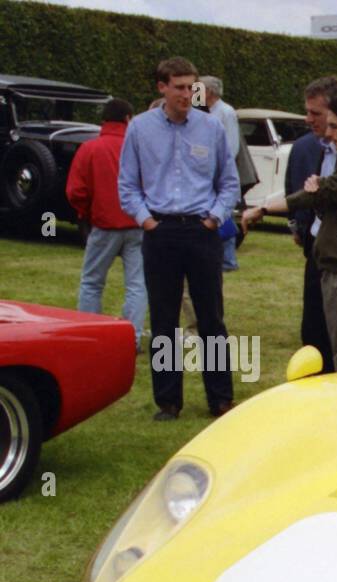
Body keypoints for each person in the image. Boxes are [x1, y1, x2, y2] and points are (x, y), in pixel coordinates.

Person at [118, 56, 238, 421]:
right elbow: (127, 185)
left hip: (201, 231)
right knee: (165, 318)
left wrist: (214, 218)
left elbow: (229, 182)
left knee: (211, 318)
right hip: (161, 231)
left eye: (192, 87)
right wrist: (147, 221)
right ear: (162, 88)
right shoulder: (139, 129)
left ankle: (220, 398)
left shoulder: (211, 128)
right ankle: (168, 402)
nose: (188, 94)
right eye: (180, 87)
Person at [244, 90, 337, 371]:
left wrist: (262, 209)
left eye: (335, 127)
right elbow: (322, 196)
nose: (329, 134)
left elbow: (315, 195)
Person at [66, 98, 145, 347]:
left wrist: (86, 212)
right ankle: (132, 337)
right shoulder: (139, 148)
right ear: (127, 119)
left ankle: (87, 334)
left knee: (92, 281)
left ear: (103, 121)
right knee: (137, 284)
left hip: (103, 224)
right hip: (138, 224)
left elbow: (76, 191)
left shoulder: (90, 148)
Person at [284, 75, 337, 371]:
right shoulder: (317, 147)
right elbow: (299, 191)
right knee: (313, 333)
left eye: (315, 114)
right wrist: (301, 228)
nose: (308, 119)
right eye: (306, 112)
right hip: (317, 250)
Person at [198, 75, 243, 272]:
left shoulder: (226, 112)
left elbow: (232, 146)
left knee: (223, 214)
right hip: (204, 171)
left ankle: (228, 260)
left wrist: (221, 170)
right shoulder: (201, 111)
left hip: (219, 171)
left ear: (209, 92)